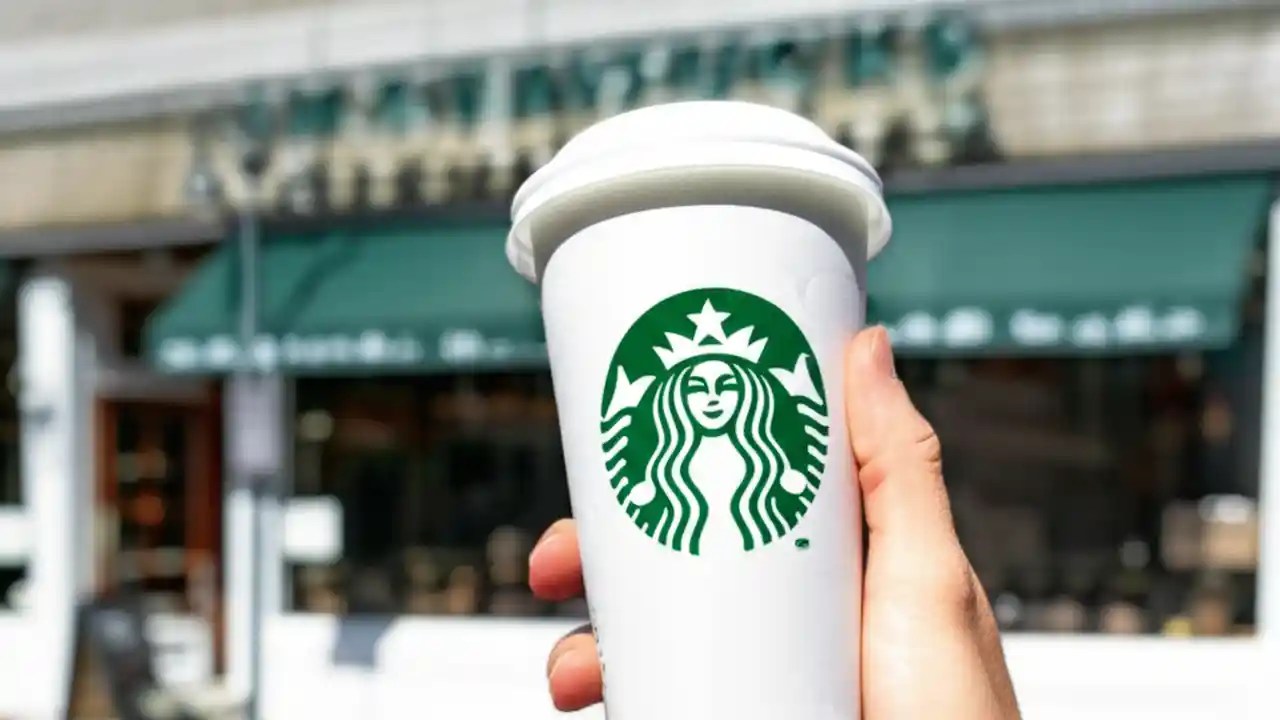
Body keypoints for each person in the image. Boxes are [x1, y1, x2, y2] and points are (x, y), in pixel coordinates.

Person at [528, 327, 1021, 718]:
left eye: (727, 385)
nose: (713, 398)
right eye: (697, 386)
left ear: (750, 394)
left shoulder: (774, 474)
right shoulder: (660, 480)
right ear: (675, 398)